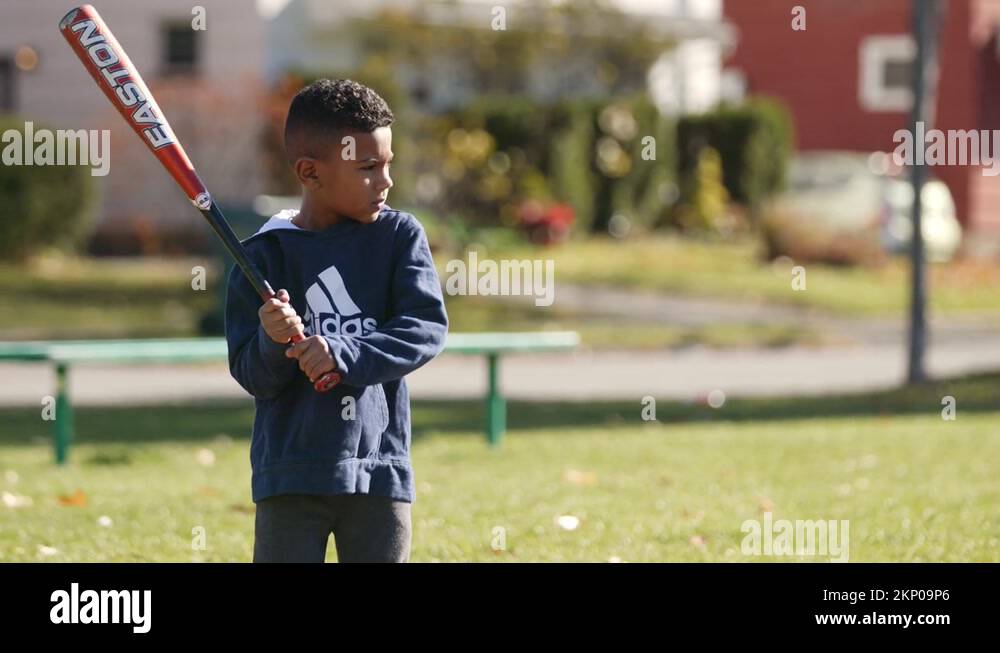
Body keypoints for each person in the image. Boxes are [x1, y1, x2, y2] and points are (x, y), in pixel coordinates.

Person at [225, 78, 448, 562]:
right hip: (289, 476)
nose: (385, 181)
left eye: (388, 164)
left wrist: (342, 353)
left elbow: (424, 328)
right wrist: (272, 340)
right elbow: (251, 375)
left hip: (378, 471)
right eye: (368, 168)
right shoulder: (263, 255)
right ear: (310, 172)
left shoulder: (398, 237)